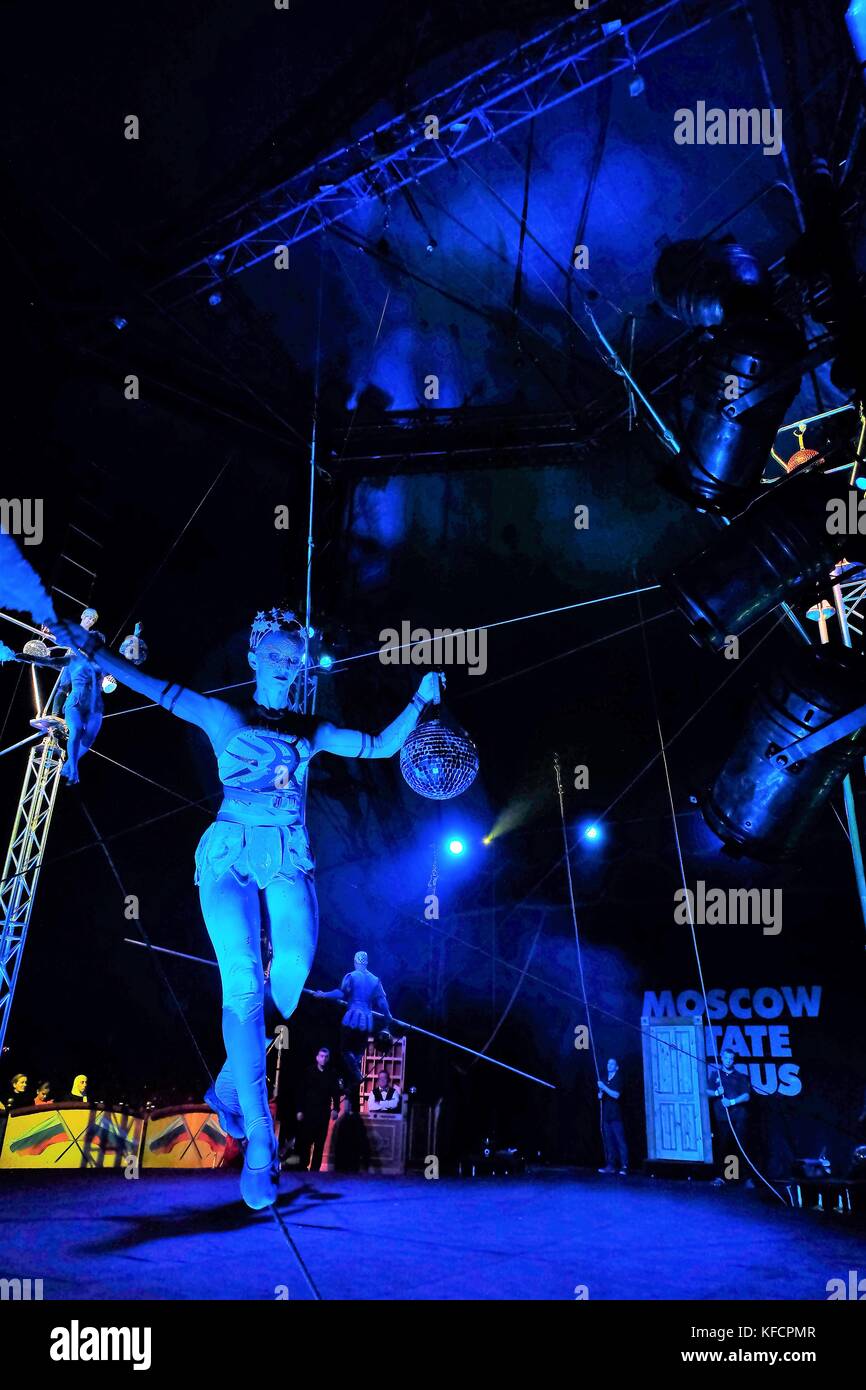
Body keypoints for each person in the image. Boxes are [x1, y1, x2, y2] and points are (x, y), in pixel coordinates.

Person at [51, 605, 441, 1209]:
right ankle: (260, 1140)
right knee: (243, 989)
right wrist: (92, 652)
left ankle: (231, 1088)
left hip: (286, 856)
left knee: (287, 978)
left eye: (296, 660)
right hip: (229, 853)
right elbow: (152, 688)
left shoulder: (311, 730)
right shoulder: (222, 713)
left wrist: (419, 699)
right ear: (255, 658)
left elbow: (382, 747)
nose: (288, 669)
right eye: (278, 658)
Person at [315, 952, 395, 1107]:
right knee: (357, 1055)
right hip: (366, 1021)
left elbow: (341, 993)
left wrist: (323, 994)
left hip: (352, 1018)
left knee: (345, 1051)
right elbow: (383, 1004)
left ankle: (356, 1076)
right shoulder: (374, 980)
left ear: (355, 962)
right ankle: (352, 1083)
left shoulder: (352, 976)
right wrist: (388, 1016)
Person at [295, 1047, 343, 1172]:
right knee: (306, 1141)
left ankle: (315, 1170)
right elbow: (301, 1092)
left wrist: (336, 1109)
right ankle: (303, 1166)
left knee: (320, 1142)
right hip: (309, 1111)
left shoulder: (332, 1074)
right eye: (321, 1056)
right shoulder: (309, 1071)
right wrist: (299, 1110)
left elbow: (336, 1093)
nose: (324, 1059)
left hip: (323, 1112)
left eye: (326, 1056)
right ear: (317, 1057)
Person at [707, 1048, 750, 1183]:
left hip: (739, 1117)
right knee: (723, 1146)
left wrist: (731, 1102)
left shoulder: (741, 1076)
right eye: (726, 1058)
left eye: (731, 1058)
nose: (728, 1061)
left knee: (741, 1146)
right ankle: (722, 1177)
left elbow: (746, 1096)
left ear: (734, 1059)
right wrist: (716, 1093)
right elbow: (706, 1091)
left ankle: (743, 1178)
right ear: (721, 1058)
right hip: (722, 1117)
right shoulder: (715, 1075)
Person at [597, 1057, 628, 1175]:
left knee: (620, 1141)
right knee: (609, 1142)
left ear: (617, 1067)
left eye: (612, 1063)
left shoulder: (619, 1078)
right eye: (608, 1063)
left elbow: (616, 1095)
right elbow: (602, 1096)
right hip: (606, 1115)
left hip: (616, 1116)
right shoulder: (604, 1080)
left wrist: (604, 1088)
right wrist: (600, 1094)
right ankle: (611, 1166)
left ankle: (624, 1166)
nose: (609, 1065)